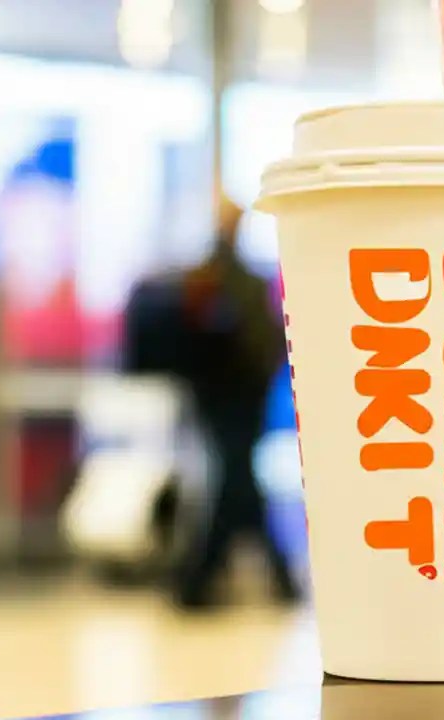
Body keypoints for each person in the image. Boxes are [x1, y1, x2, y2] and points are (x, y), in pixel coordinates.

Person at [160, 200, 299, 609]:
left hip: (232, 395)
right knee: (237, 482)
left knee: (235, 481)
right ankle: (211, 579)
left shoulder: (218, 278)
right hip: (229, 396)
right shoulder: (216, 278)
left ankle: (200, 581)